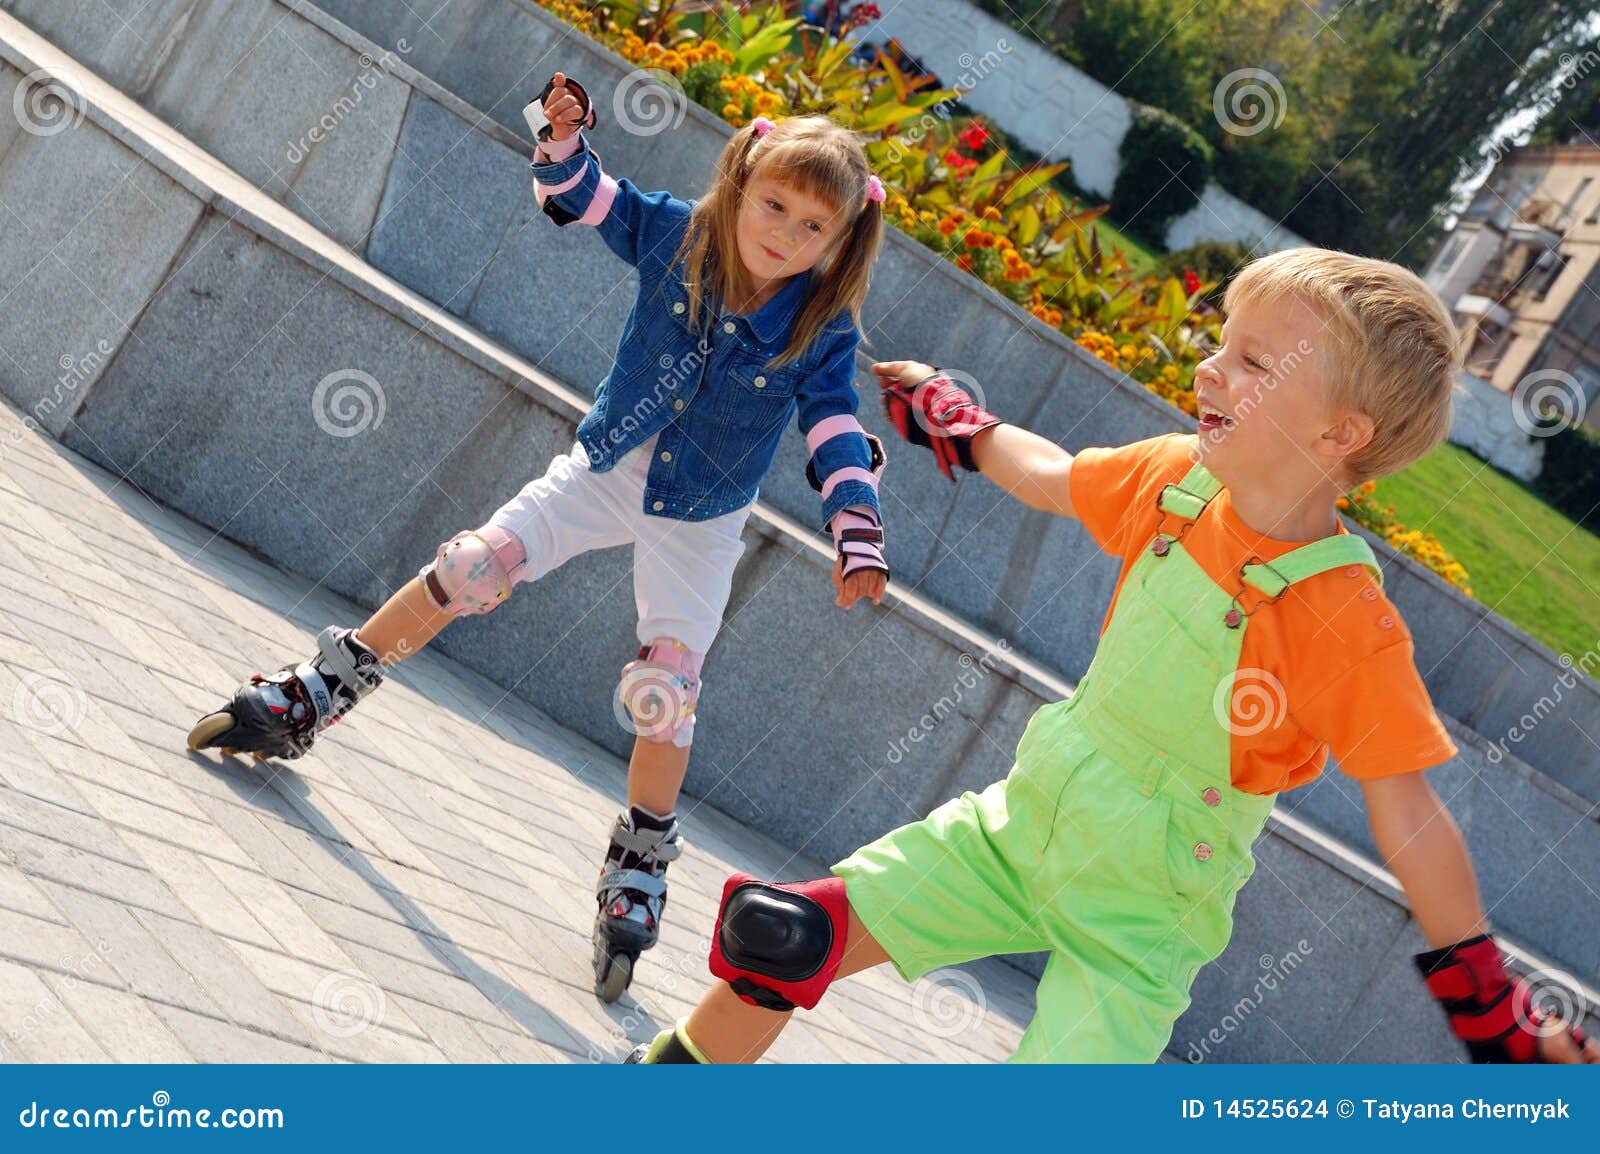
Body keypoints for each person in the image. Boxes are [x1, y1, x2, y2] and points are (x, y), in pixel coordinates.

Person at [629, 247, 1600, 1063]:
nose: (1211, 368)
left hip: (1143, 910)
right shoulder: (1176, 481)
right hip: (1022, 822)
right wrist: (961, 429)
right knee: (786, 936)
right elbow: (1050, 475)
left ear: (1337, 434)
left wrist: (1487, 1000)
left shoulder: (1343, 615)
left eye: (1253, 362)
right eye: (1221, 342)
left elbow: (1411, 815)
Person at [186, 75, 891, 1004]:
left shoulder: (819, 326)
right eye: (775, 206)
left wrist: (857, 529)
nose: (785, 236)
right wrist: (558, 138)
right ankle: (319, 692)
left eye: (813, 229)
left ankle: (639, 858)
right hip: (606, 470)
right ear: (743, 180)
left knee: (665, 689)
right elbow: (581, 197)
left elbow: (836, 426)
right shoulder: (679, 232)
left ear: (841, 243)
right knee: (471, 568)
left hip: (705, 514)